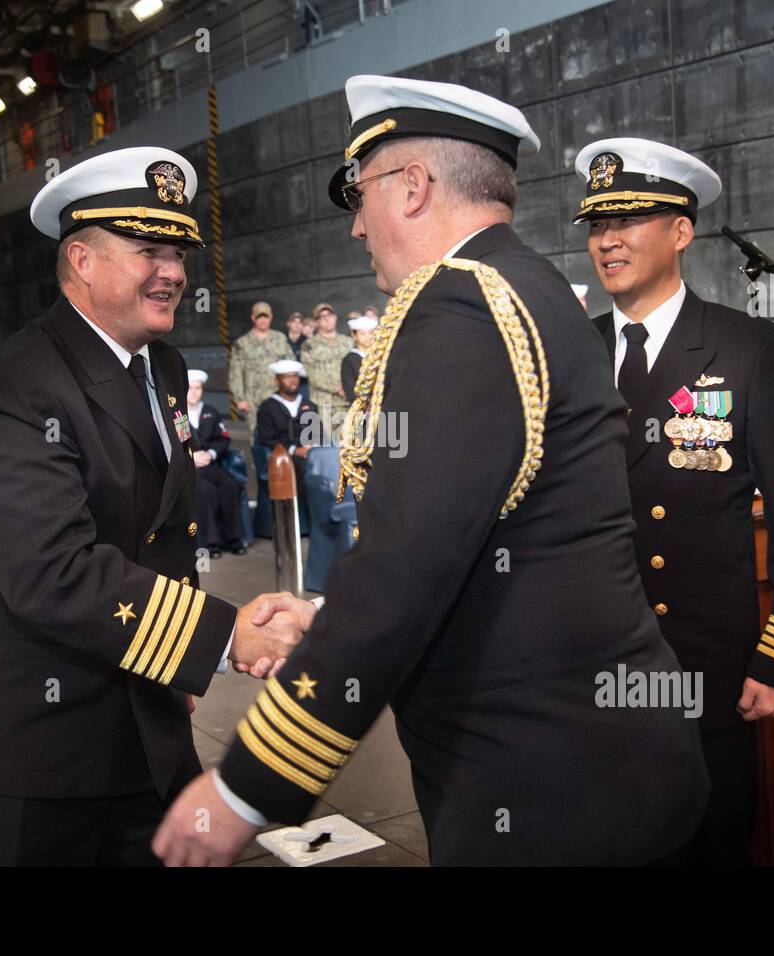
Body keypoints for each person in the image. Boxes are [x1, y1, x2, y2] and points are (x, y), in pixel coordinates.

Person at [154, 75, 709, 866]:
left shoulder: (459, 305)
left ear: (411, 186)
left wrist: (247, 786)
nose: (356, 228)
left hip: (545, 791)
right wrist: (328, 616)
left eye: (358, 193)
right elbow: (482, 538)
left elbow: (407, 563)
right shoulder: (533, 285)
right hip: (599, 765)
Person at [0, 146, 309, 866]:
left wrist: (171, 666)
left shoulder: (158, 363)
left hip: (142, 722)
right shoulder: (18, 387)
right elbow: (53, 572)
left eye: (179, 252)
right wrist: (222, 640)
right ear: (82, 260)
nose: (175, 272)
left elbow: (159, 536)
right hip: (29, 756)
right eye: (147, 249)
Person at [574, 137, 774, 865]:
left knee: (707, 847)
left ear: (681, 231)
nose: (609, 240)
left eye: (629, 220)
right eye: (596, 225)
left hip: (706, 670)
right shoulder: (571, 352)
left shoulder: (750, 350)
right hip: (589, 668)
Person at [187, 369, 247, 558]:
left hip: (209, 463)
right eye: (190, 388)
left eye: (198, 388)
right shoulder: (176, 414)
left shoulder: (210, 412)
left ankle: (234, 539)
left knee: (230, 485)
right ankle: (211, 543)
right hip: (188, 468)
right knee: (205, 490)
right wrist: (190, 457)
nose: (194, 392)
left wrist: (211, 453)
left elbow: (222, 439)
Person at [255, 359, 321, 515]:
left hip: (311, 452)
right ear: (277, 381)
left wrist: (312, 448)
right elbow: (266, 438)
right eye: (286, 377)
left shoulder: (308, 404)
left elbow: (316, 433)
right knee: (305, 470)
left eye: (295, 376)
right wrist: (294, 450)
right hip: (285, 455)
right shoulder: (267, 407)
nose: (292, 380)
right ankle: (312, 517)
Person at [227, 300, 292, 438]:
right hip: (254, 400)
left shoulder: (280, 339)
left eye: (265, 316)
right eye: (259, 317)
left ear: (271, 317)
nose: (263, 320)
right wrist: (240, 399)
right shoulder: (242, 343)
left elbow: (290, 366)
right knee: (257, 436)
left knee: (283, 433)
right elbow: (235, 373)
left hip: (279, 396)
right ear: (253, 318)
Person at [299, 302, 352, 422]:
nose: (327, 318)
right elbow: (312, 373)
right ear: (316, 322)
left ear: (335, 317)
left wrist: (349, 389)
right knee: (327, 440)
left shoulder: (348, 342)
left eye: (329, 315)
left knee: (352, 439)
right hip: (323, 404)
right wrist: (338, 389)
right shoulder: (309, 345)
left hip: (348, 402)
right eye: (322, 316)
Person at [341, 315, 378, 400]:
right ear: (354, 335)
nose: (367, 337)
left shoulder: (378, 356)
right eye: (362, 334)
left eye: (370, 333)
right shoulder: (349, 360)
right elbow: (350, 389)